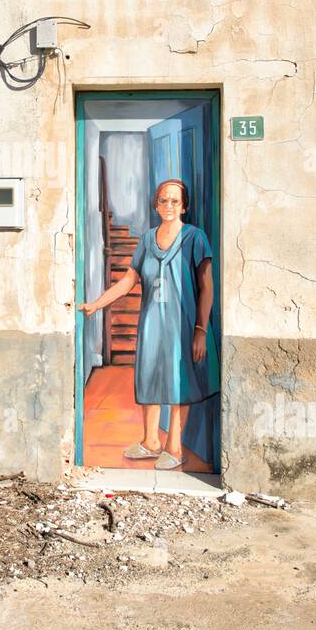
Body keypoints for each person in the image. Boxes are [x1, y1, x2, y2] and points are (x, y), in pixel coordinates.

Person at [79, 179, 219, 470]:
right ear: (156, 204)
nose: (168, 206)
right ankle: (150, 442)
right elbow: (129, 280)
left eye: (175, 201)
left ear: (184, 206)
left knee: (180, 382)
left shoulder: (195, 237)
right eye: (163, 201)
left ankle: (176, 448)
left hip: (184, 324)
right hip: (152, 323)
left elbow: (207, 287)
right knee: (149, 378)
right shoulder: (146, 239)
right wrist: (97, 304)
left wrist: (201, 330)